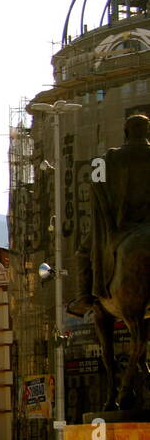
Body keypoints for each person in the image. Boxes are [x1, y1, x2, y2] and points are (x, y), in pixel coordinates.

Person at [72, 114, 150, 314]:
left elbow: (95, 186)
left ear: (126, 133)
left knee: (83, 252)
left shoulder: (107, 158)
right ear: (147, 131)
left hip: (121, 225)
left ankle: (85, 297)